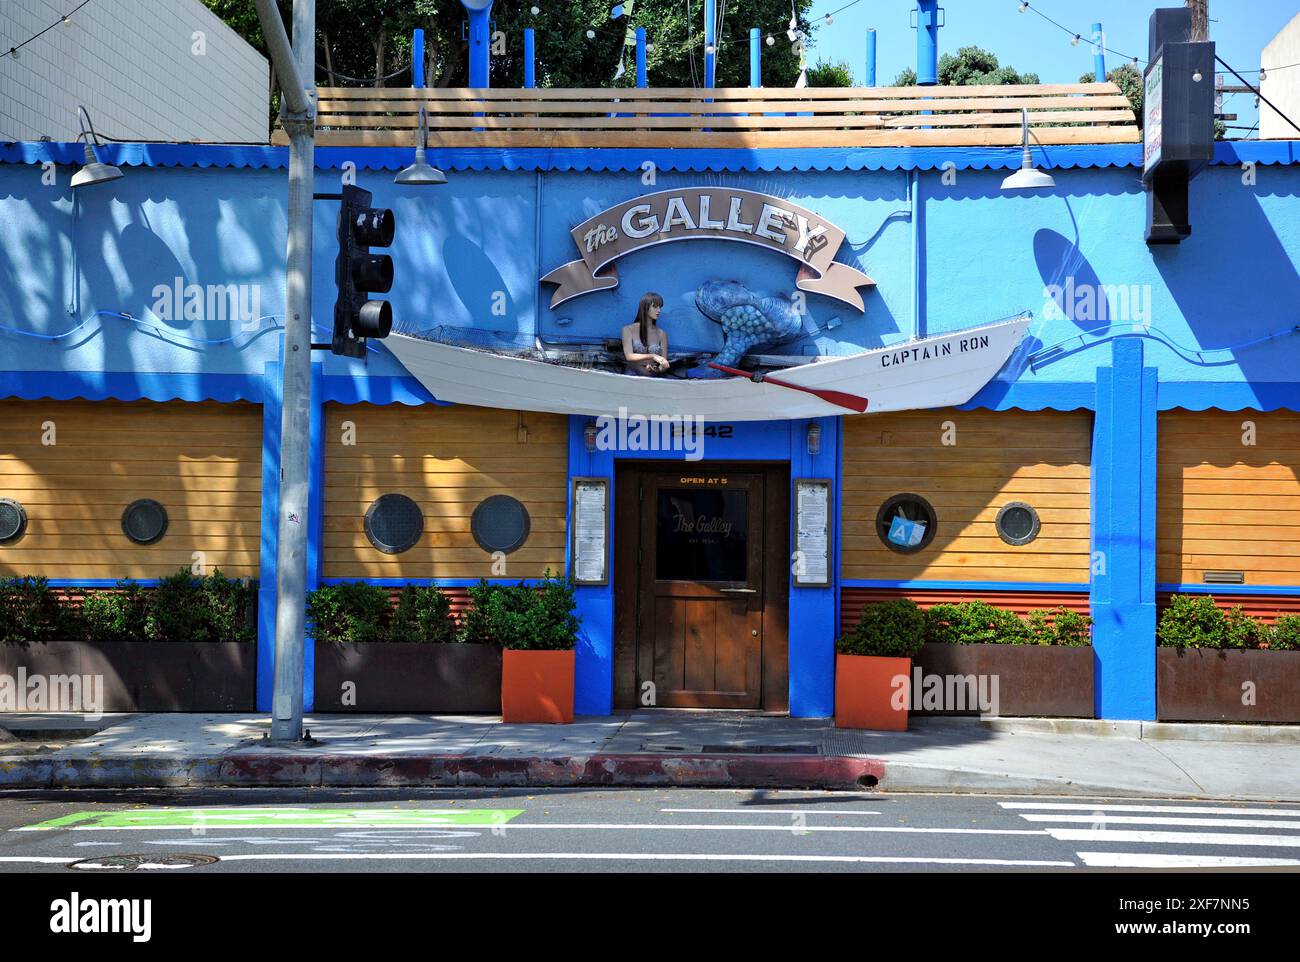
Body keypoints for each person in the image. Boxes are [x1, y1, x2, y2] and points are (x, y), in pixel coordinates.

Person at [621, 292, 670, 376]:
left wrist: (657, 369)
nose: (659, 310)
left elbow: (664, 362)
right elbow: (629, 356)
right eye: (655, 306)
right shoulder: (628, 330)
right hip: (631, 376)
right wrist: (653, 356)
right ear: (645, 307)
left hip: (653, 379)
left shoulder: (662, 334)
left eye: (660, 307)